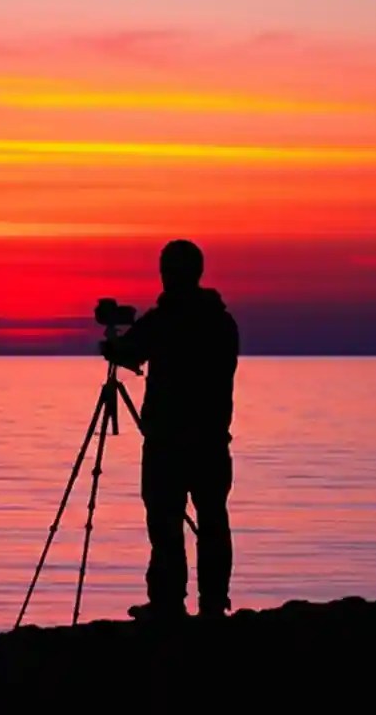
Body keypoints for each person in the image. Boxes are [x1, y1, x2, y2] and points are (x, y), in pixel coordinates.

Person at [101, 239, 239, 620]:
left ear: (170, 274)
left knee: (165, 521)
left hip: (168, 442)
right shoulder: (222, 322)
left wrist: (111, 341)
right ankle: (213, 604)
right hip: (212, 441)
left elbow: (127, 353)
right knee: (212, 520)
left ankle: (167, 603)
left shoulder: (164, 321)